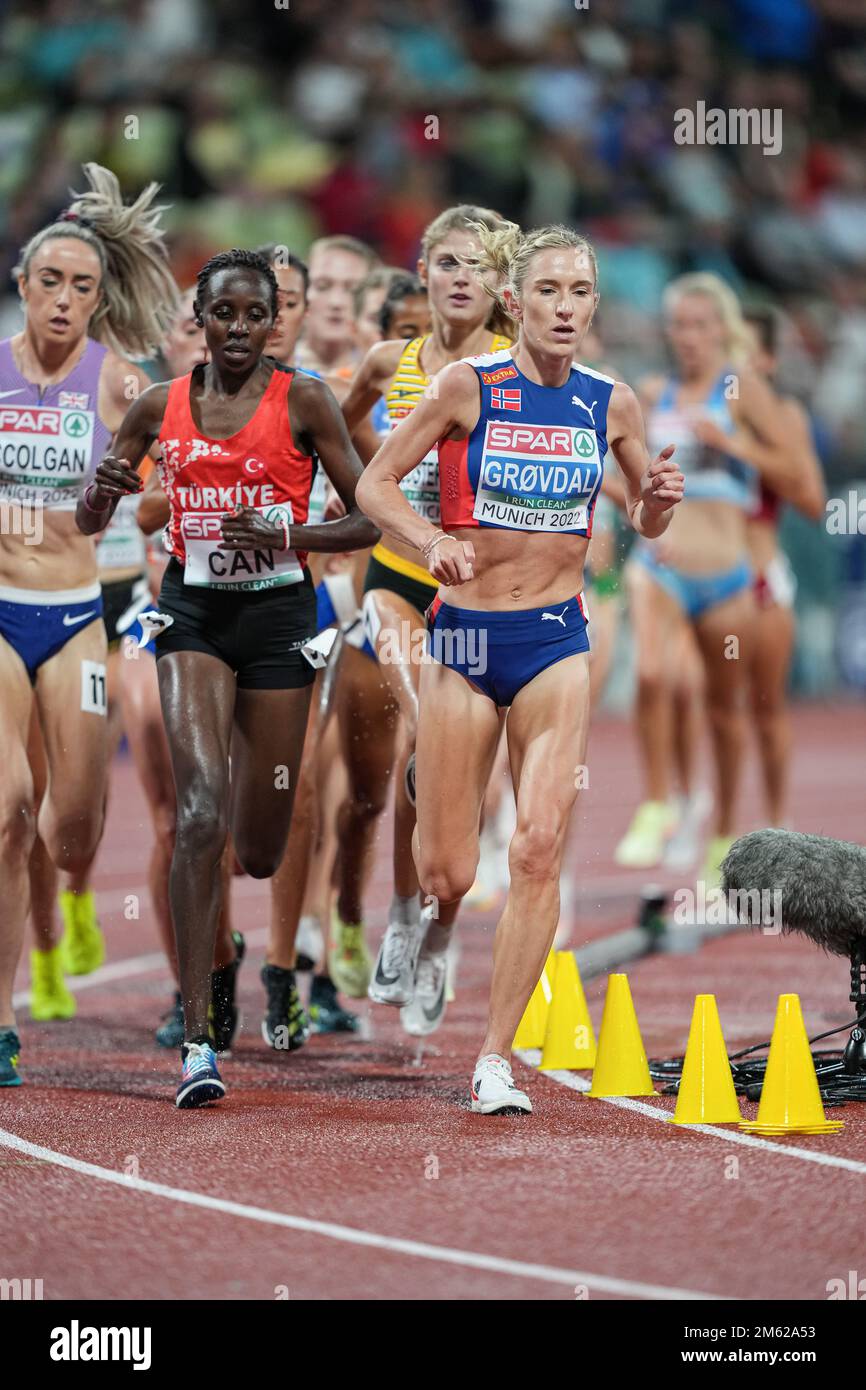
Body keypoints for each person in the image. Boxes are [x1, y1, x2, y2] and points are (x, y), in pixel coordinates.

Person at [356, 220, 685, 1114]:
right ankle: (436, 924)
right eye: (549, 291)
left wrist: (652, 506)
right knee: (449, 872)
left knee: (538, 849)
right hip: (462, 640)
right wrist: (429, 540)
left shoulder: (611, 402)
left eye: (581, 292)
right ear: (517, 301)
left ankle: (494, 1059)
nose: (566, 307)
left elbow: (645, 525)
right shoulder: (468, 385)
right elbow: (374, 484)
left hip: (554, 642)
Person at [76, 248, 378, 1108]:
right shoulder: (156, 406)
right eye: (224, 315)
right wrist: (99, 493)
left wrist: (286, 536)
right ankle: (201, 1034)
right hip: (193, 619)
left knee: (258, 848)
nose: (240, 329)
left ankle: (241, 945)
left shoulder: (307, 400)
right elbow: (89, 518)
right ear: (198, 322)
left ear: (274, 322)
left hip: (282, 624)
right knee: (198, 808)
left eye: (256, 315)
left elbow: (365, 521)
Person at [0, 164, 178, 1087]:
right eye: (49, 282)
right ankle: (3, 1018)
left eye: (82, 287)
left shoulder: (122, 385)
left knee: (71, 826)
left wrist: (129, 495)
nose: (64, 299)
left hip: (81, 617)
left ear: (100, 296)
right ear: (23, 286)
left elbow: (152, 510)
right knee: (6, 810)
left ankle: (68, 897)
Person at [337, 205, 512, 1035]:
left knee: (449, 774)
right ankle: (403, 919)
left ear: (499, 282)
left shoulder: (520, 371)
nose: (460, 278)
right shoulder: (389, 360)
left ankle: (440, 931)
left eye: (477, 266)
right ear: (425, 270)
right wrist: (357, 509)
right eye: (447, 262)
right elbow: (338, 430)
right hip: (401, 577)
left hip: (482, 598)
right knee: (419, 735)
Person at [615, 273, 800, 887]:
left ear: (724, 329)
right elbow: (620, 472)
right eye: (680, 325)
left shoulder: (740, 391)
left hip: (727, 575)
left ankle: (723, 834)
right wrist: (637, 507)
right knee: (652, 673)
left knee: (725, 712)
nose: (689, 338)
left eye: (701, 325)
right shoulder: (651, 391)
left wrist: (733, 445)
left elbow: (798, 475)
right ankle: (657, 802)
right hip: (661, 568)